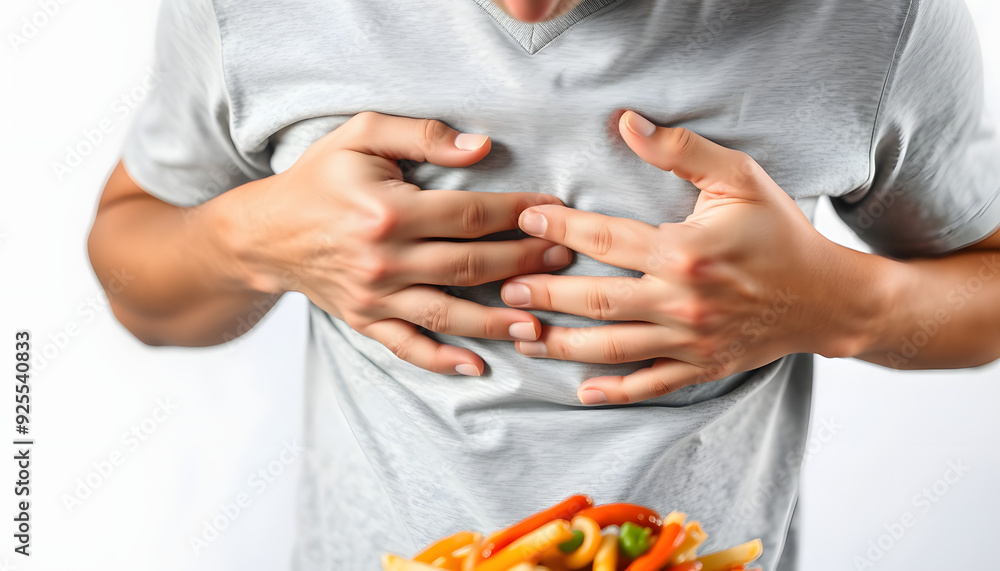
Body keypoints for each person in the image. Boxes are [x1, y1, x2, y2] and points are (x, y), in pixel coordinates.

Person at [87, 0, 1000, 568]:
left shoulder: (880, 18)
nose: (527, 10)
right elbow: (135, 282)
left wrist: (836, 303)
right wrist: (249, 243)